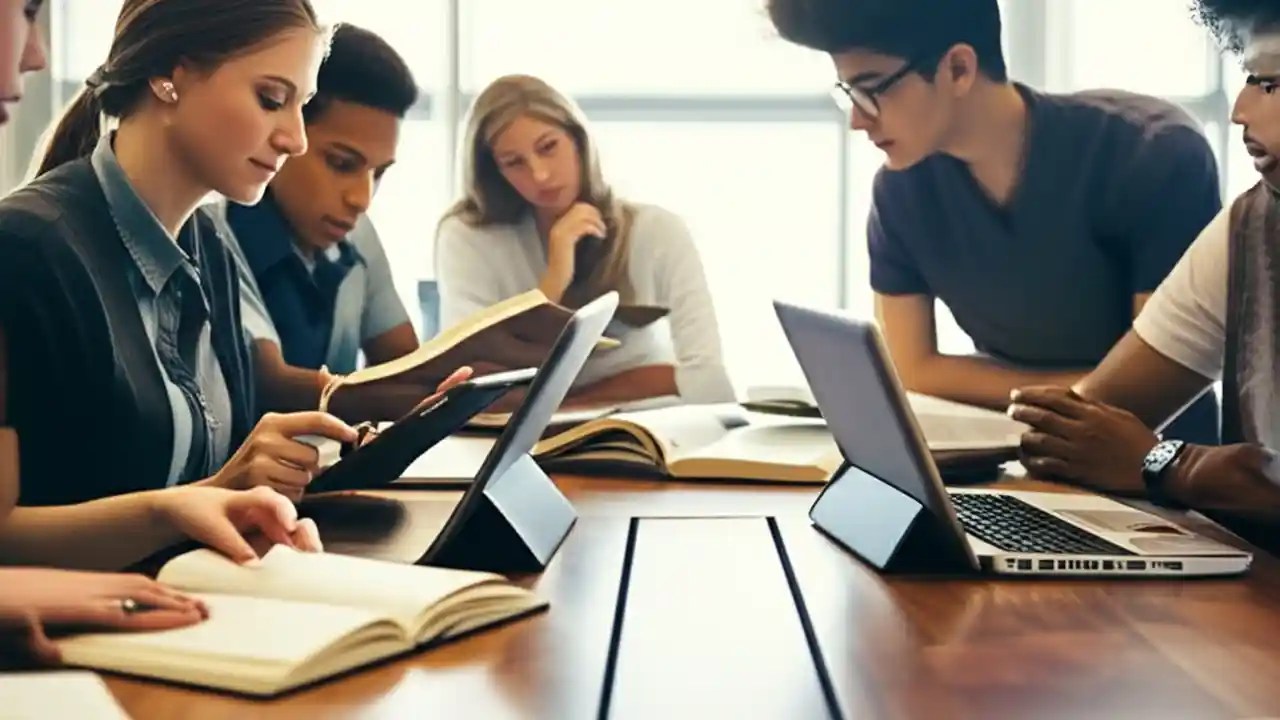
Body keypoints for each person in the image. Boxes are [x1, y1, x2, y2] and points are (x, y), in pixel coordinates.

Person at [0, 0, 326, 669]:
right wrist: (172, 510)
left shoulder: (209, 238)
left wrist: (231, 488)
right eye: (272, 99)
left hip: (189, 625)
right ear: (170, 76)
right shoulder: (29, 248)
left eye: (302, 105)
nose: (296, 138)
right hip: (74, 656)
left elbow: (188, 489)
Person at [765, 0, 1222, 445]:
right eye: (848, 93)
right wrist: (1063, 402)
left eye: (871, 90)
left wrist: (1012, 395)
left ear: (959, 69)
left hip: (1157, 472)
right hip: (1014, 457)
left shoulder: (1149, 154)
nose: (857, 121)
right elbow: (911, 368)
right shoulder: (901, 191)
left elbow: (1159, 382)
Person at [1010, 0, 1280, 552]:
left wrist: (1162, 464)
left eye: (1270, 83)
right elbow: (1084, 429)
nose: (1240, 111)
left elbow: (1133, 455)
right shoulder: (1251, 228)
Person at [435, 74, 736, 406]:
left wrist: (557, 407)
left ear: (578, 139)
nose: (540, 175)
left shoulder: (657, 231)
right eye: (514, 162)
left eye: (548, 147)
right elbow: (469, 379)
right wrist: (553, 282)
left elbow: (709, 381)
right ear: (495, 171)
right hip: (515, 441)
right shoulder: (469, 236)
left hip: (640, 430)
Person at [220, 24, 432, 421]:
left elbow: (405, 363)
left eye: (378, 173)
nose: (361, 199)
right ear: (286, 133)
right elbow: (270, 383)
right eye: (341, 163)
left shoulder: (357, 233)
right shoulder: (214, 226)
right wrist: (429, 398)